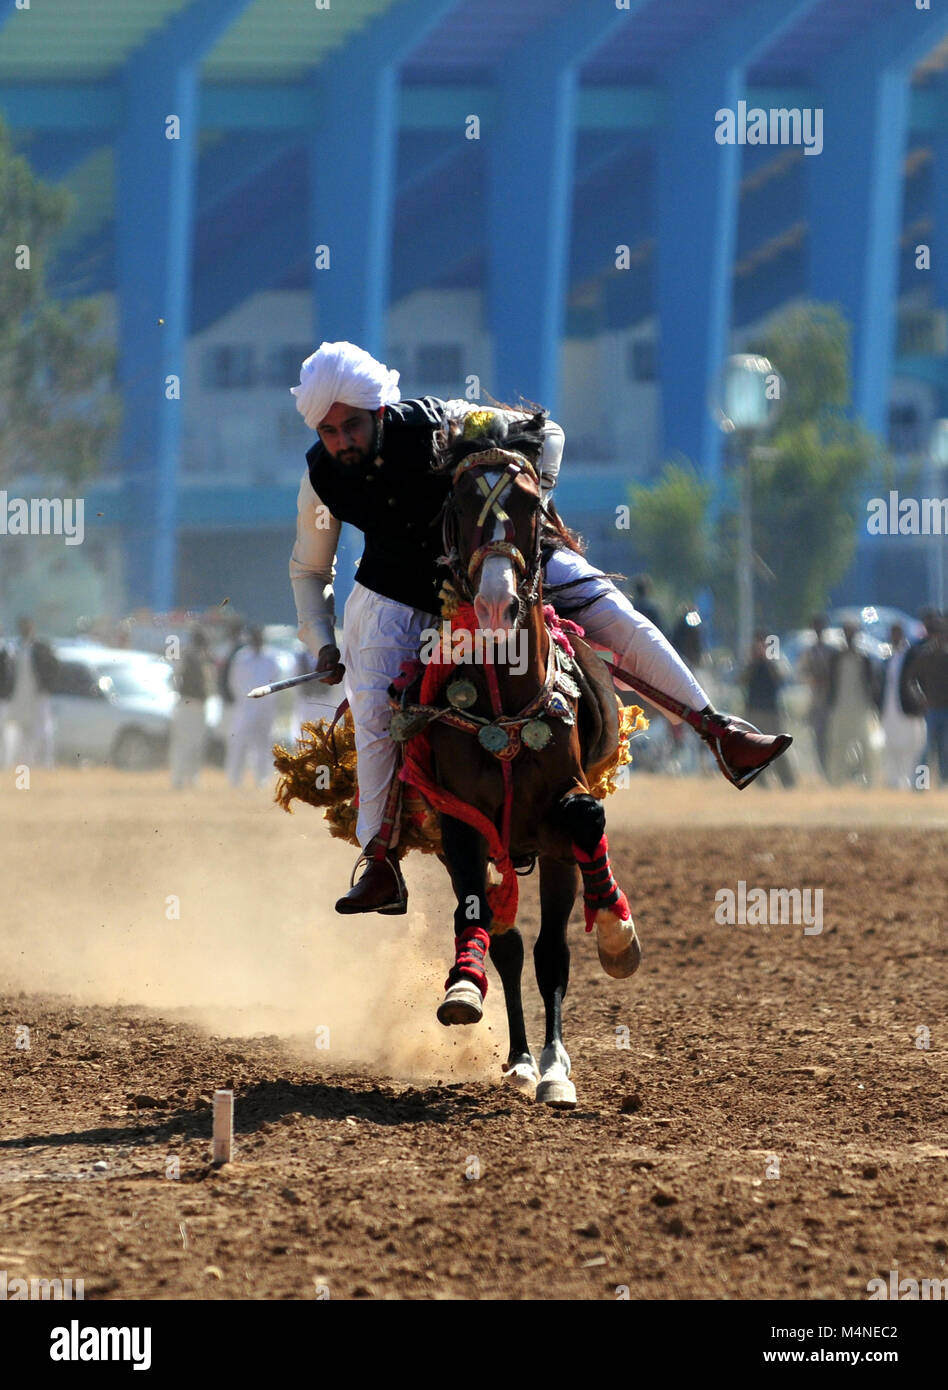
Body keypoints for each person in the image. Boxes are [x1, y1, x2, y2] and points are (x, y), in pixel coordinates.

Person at [288, 342, 792, 913]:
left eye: (350, 425)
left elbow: (546, 435)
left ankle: (719, 732)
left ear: (379, 411)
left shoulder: (443, 421)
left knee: (618, 618)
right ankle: (379, 860)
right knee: (376, 716)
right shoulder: (320, 478)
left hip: (505, 557)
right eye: (328, 432)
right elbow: (309, 569)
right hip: (398, 592)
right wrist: (323, 641)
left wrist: (524, 518)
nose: (341, 442)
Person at [825, 621, 882, 786]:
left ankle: (869, 781)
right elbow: (831, 684)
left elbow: (873, 684)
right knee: (837, 747)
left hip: (862, 709)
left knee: (867, 748)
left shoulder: (864, 659)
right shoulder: (836, 658)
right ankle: (836, 781)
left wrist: (874, 706)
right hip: (840, 708)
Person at [226, 627, 281, 788]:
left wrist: (269, 702)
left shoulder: (271, 658)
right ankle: (234, 778)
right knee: (239, 742)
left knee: (263, 744)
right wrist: (243, 700)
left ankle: (262, 779)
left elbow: (276, 682)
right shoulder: (242, 657)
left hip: (266, 707)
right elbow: (234, 681)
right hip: (246, 706)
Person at [740, 631, 796, 787]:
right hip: (753, 709)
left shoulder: (776, 659)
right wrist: (754, 661)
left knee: (777, 747)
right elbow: (741, 680)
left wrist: (767, 660)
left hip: (771, 710)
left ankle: (788, 781)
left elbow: (781, 678)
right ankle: (761, 783)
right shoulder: (750, 661)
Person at [880, 623, 927, 789]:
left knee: (913, 746)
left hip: (909, 709)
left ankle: (918, 783)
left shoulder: (912, 655)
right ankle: (894, 782)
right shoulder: (887, 657)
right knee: (891, 745)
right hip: (890, 708)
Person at [7, 616, 58, 768]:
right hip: (20, 694)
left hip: (38, 694)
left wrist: (46, 686)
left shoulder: (41, 647)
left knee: (43, 728)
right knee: (22, 727)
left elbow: (53, 668)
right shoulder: (16, 647)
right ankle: (26, 760)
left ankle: (46, 761)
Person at [904, 614, 948, 784]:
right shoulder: (925, 656)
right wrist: (920, 697)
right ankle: (921, 783)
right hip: (932, 710)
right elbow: (910, 680)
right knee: (926, 749)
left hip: (946, 709)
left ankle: (944, 783)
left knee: (945, 749)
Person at [169, 628, 212, 789]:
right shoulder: (187, 657)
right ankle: (179, 778)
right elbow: (174, 677)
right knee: (184, 743)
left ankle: (191, 778)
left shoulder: (203, 658)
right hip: (187, 703)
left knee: (195, 743)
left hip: (198, 704)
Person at [798, 614, 834, 778]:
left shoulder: (832, 651)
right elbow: (801, 674)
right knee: (818, 738)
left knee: (833, 738)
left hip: (831, 702)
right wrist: (814, 679)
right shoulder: (809, 652)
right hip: (816, 701)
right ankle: (823, 771)